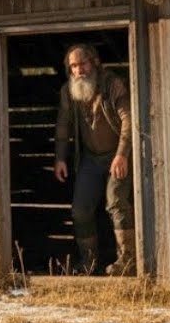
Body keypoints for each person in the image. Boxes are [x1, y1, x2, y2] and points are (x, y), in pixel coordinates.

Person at [53, 43, 135, 277]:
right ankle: (88, 263)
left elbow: (128, 120)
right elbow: (63, 125)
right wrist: (60, 158)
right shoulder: (69, 91)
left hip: (116, 155)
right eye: (74, 66)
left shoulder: (112, 84)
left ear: (95, 63)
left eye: (83, 63)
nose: (79, 70)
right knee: (80, 210)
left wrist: (122, 154)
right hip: (91, 158)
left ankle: (128, 262)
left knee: (116, 201)